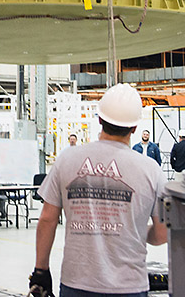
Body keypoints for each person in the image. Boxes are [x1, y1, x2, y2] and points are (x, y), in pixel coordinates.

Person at [29, 84, 167, 297]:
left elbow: (48, 219)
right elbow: (162, 233)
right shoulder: (151, 170)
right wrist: (137, 230)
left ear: (100, 120)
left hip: (77, 283)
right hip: (129, 285)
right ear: (134, 128)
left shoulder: (67, 159)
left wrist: (41, 270)